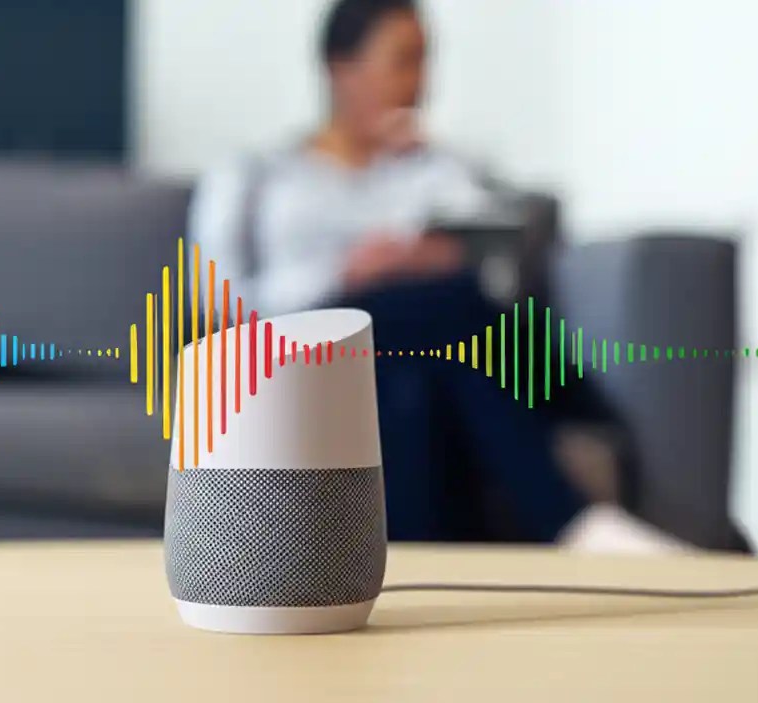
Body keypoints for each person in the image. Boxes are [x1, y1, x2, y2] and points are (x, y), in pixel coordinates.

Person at [191, 0, 689, 551]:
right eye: (404, 60)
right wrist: (345, 274)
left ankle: (433, 559)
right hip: (312, 343)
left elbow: (495, 263)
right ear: (342, 68)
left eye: (427, 60)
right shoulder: (257, 175)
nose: (421, 80)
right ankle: (573, 518)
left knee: (421, 368)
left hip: (408, 350)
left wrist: (438, 194)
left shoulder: (434, 169)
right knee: (438, 313)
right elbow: (223, 307)